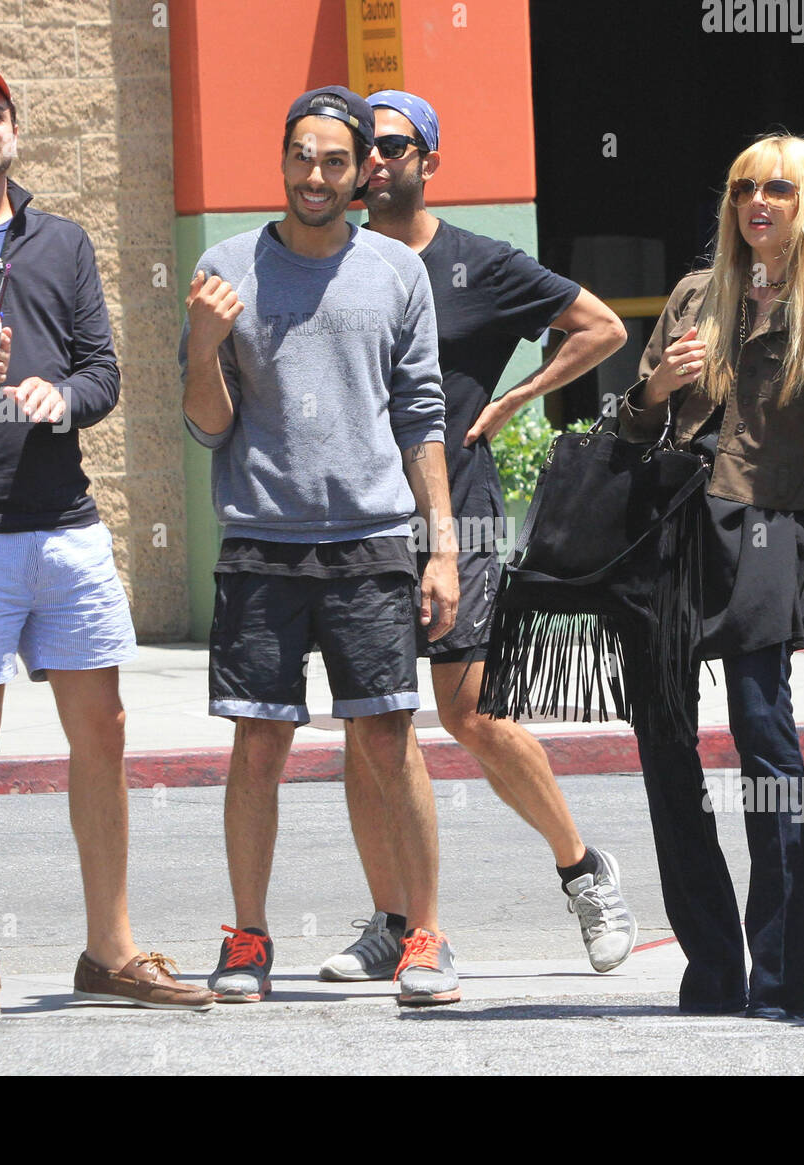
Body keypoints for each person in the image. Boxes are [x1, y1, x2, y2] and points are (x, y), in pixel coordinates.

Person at [0, 56, 213, 1022]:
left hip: (66, 524)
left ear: (16, 131)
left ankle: (110, 950)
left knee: (103, 732)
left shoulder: (65, 241)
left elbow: (102, 369)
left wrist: (63, 399)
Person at [316, 90, 639, 982]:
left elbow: (602, 327)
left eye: (392, 146)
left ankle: (583, 868)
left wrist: (512, 399)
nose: (374, 160)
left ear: (428, 160)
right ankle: (393, 921)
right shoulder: (330, 259)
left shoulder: (478, 266)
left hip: (461, 512)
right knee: (366, 727)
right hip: (354, 521)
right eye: (362, 147)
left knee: (470, 714)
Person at [180, 86, 463, 1007]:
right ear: (283, 159)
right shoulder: (225, 265)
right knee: (257, 745)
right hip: (262, 542)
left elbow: (423, 416)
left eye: (335, 161)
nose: (315, 174)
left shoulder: (395, 273)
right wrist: (205, 344)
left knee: (389, 741)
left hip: (372, 540)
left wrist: (443, 546)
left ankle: (424, 937)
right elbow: (207, 424)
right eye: (302, 156)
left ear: (361, 171)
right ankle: (248, 937)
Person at [619, 132, 804, 1018]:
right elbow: (631, 433)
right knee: (664, 747)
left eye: (777, 188)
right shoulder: (698, 295)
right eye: (743, 187)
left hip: (765, 540)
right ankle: (712, 963)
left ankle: (782, 970)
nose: (757, 202)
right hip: (670, 535)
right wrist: (657, 385)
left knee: (764, 743)